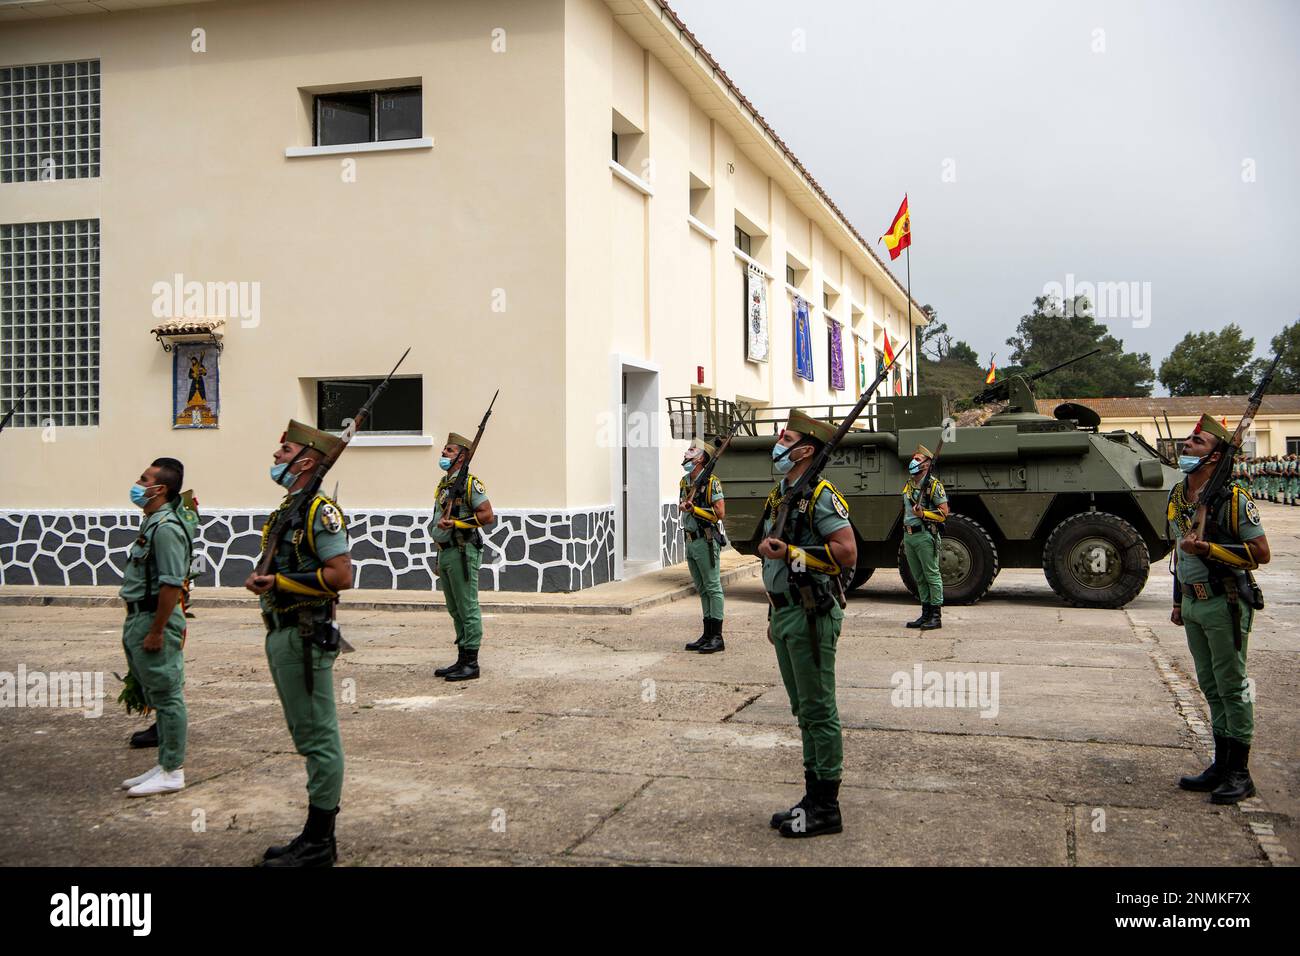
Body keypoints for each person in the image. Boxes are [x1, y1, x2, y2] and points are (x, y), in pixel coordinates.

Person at [246, 421, 353, 867]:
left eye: (284, 450)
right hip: (283, 633)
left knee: (318, 738)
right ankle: (313, 837)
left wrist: (280, 581)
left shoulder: (318, 511)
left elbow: (340, 575)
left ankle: (319, 841)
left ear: (306, 461)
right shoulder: (290, 509)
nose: (276, 455)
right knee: (305, 735)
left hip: (306, 635)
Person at [758, 410, 857, 839]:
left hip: (812, 613)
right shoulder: (783, 492)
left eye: (786, 437)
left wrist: (793, 553)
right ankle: (810, 798)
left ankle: (826, 807)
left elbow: (846, 553)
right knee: (804, 711)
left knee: (819, 711)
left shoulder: (819, 494)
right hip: (786, 614)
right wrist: (772, 610)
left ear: (805, 449)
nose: (778, 442)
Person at [1169, 414, 1270, 805]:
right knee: (1210, 687)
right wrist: (1179, 601)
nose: (1187, 446)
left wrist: (1209, 549)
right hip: (1193, 603)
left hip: (1224, 601)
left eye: (1197, 442)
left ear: (1214, 457)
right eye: (1189, 440)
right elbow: (1179, 551)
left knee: (1232, 686)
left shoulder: (1233, 499)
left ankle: (1240, 773)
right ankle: (1220, 764)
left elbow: (1261, 554)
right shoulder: (1179, 495)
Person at [118, 457, 195, 797]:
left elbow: (171, 585)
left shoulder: (165, 528)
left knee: (168, 697)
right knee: (158, 694)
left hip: (153, 618)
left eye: (143, 478)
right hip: (141, 616)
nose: (137, 483)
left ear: (159, 488)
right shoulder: (153, 523)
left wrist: (156, 630)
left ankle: (173, 770)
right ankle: (164, 763)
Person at [431, 432, 495, 681]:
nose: (443, 453)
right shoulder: (444, 484)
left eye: (449, 450)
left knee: (467, 607)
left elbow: (487, 516)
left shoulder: (469, 484)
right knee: (454, 608)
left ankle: (471, 663)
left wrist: (457, 523)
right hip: (446, 552)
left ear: (462, 456)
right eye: (444, 449)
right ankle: (461, 659)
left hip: (462, 551)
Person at [680, 438, 727, 654]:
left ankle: (717, 636)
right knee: (702, 589)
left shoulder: (711, 483)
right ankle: (707, 634)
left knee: (713, 587)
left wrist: (695, 510)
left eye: (692, 450)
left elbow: (719, 514)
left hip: (705, 539)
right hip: (690, 541)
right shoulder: (684, 481)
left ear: (701, 458)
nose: (687, 453)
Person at [900, 443, 949, 630]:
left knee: (932, 575)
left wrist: (924, 515)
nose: (913, 461)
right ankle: (925, 613)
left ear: (927, 464)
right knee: (919, 577)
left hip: (925, 535)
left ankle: (936, 616)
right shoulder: (910, 485)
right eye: (913, 458)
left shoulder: (933, 486)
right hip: (909, 536)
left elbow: (944, 513)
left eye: (918, 459)